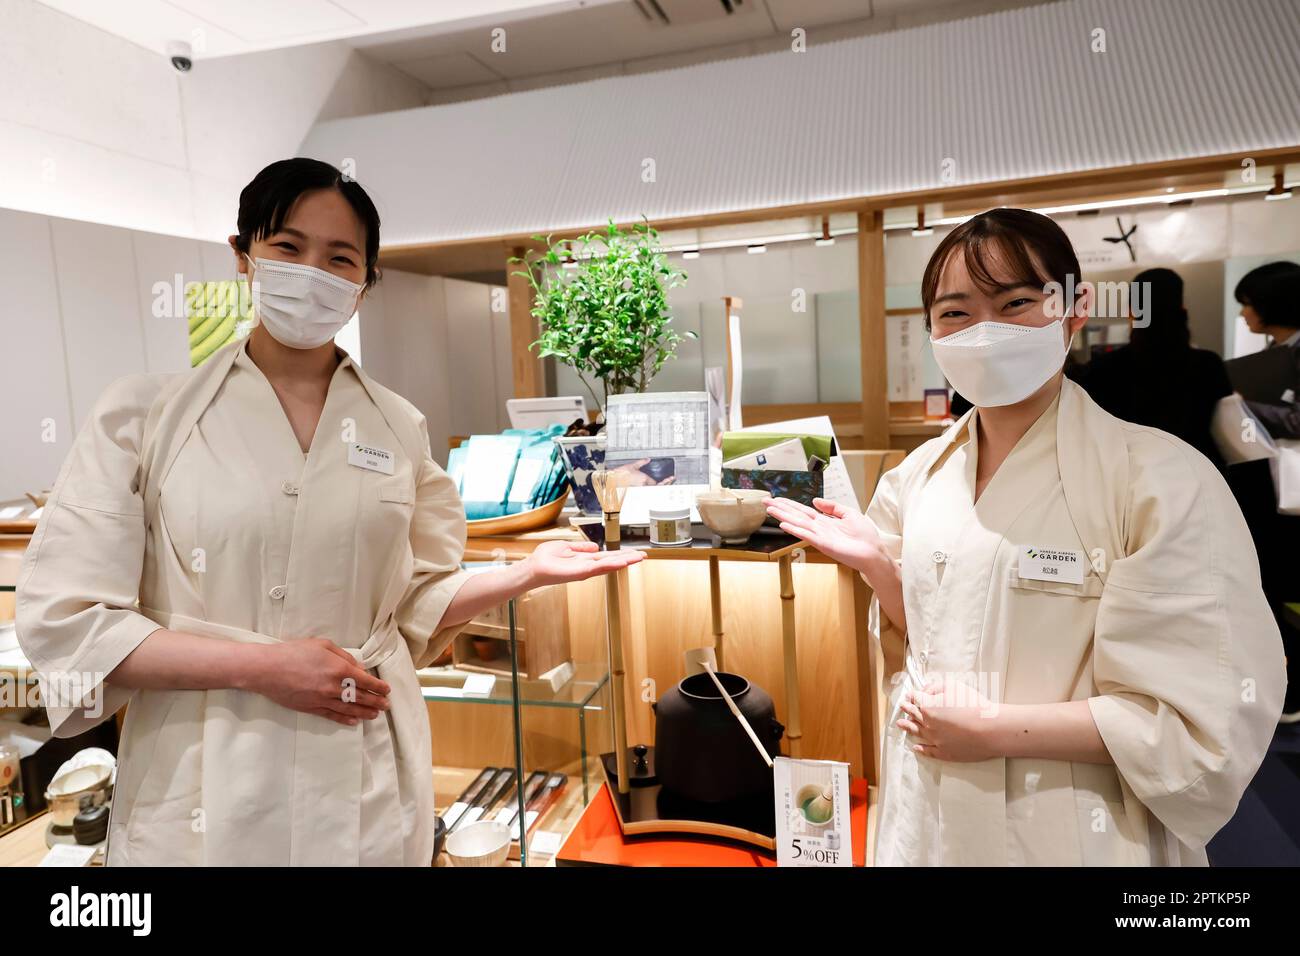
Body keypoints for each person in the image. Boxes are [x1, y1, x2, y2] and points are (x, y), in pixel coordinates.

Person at [16, 158, 644, 866]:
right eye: (287, 247)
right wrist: (260, 667)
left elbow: (412, 601)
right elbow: (73, 622)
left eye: (340, 258)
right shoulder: (145, 416)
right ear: (244, 256)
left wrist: (524, 575)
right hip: (202, 787)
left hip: (364, 774)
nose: (312, 272)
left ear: (364, 283)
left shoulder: (396, 425)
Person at [767, 208, 1285, 866]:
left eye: (1015, 303)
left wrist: (997, 731)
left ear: (1075, 309)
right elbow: (932, 634)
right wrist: (877, 564)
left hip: (1071, 825)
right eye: (955, 313)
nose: (984, 331)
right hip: (927, 810)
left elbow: (1195, 710)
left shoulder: (1160, 480)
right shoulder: (915, 477)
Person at [1225, 261, 1300, 721]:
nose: (1244, 314)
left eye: (1249, 304)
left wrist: (1244, 407)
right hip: (1272, 487)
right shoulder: (1277, 353)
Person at [1078, 267, 1234, 470]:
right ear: (1182, 310)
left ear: (1132, 312)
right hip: (1198, 470)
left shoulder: (1103, 368)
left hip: (1132, 474)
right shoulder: (1209, 365)